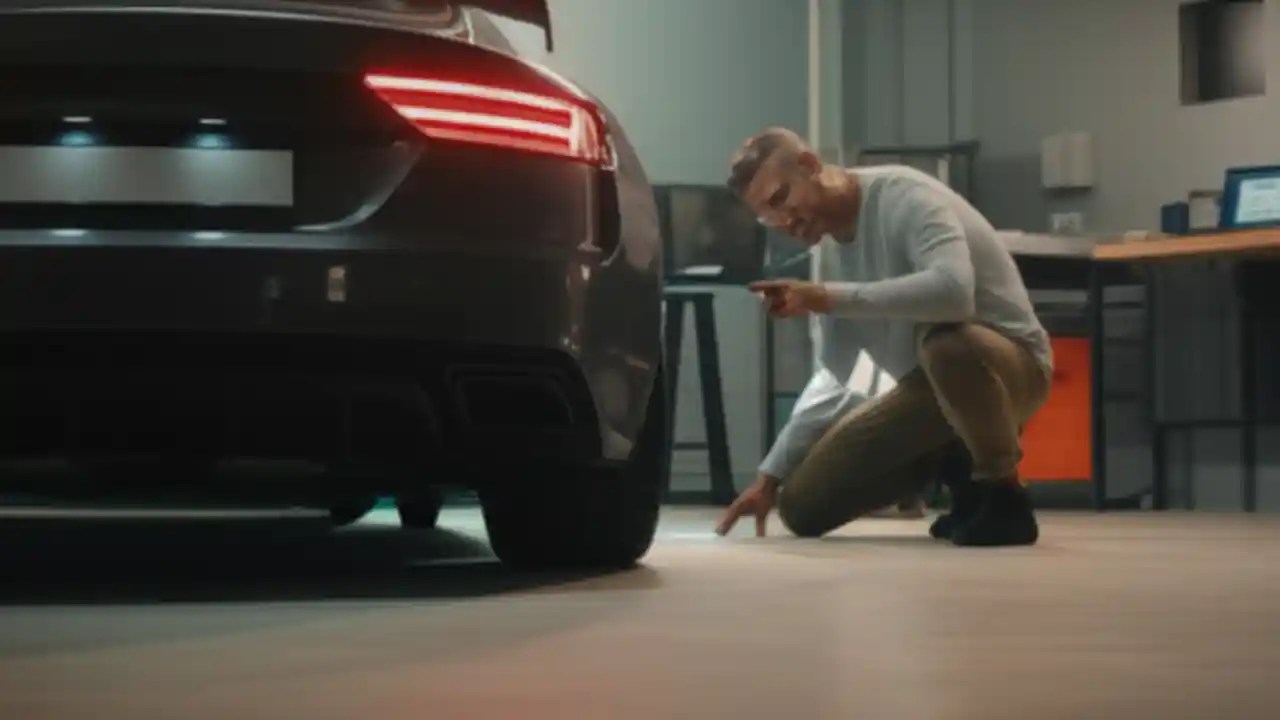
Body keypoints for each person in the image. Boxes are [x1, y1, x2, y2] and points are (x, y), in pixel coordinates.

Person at [714, 127, 1053, 547]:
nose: (783, 222)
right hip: (927, 389)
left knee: (946, 345)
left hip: (1011, 368)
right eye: (768, 215)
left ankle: (1003, 497)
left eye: (781, 199)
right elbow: (842, 377)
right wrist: (770, 477)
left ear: (809, 165)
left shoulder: (905, 197)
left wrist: (827, 298)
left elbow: (954, 293)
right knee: (801, 507)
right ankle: (960, 477)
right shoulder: (831, 251)